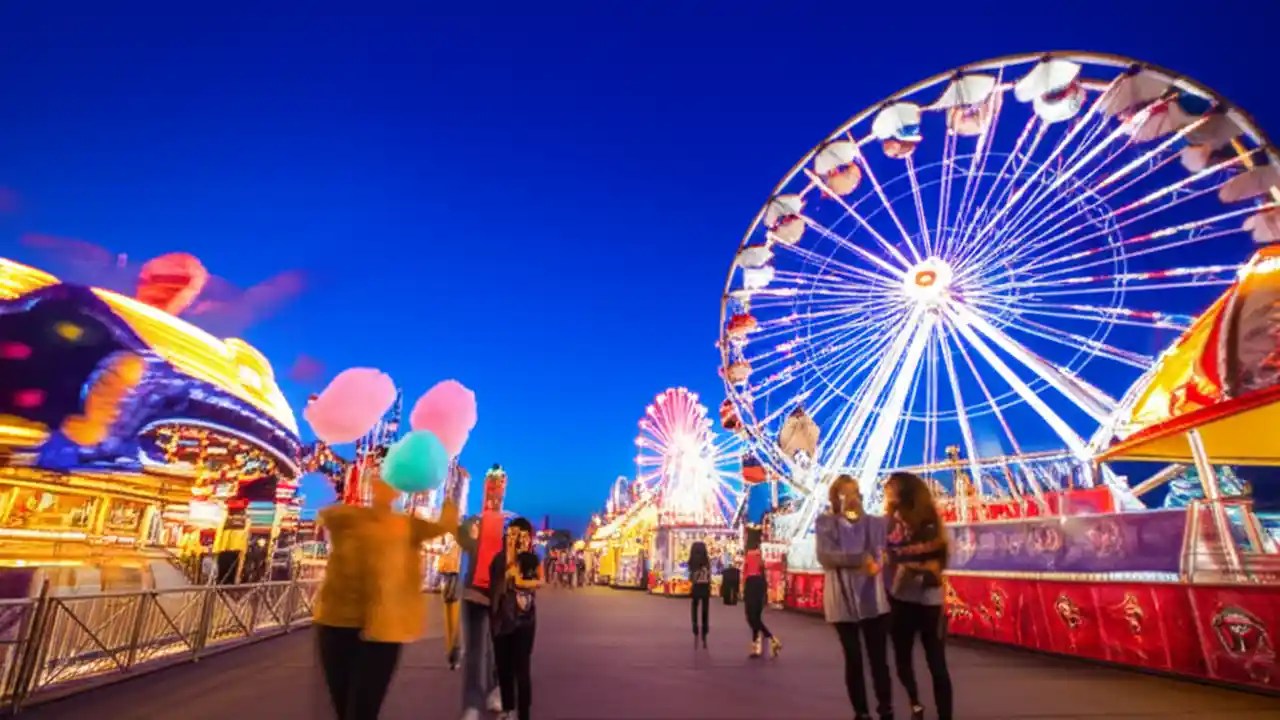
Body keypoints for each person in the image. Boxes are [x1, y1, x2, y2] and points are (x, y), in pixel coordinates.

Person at [313, 465, 459, 720]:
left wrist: (450, 493)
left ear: (396, 493)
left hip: (382, 632)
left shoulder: (406, 526)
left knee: (363, 710)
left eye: (388, 483)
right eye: (377, 480)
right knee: (344, 706)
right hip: (335, 625)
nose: (381, 487)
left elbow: (444, 525)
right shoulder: (348, 517)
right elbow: (326, 515)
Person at [816, 474, 893, 720]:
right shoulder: (826, 523)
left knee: (878, 658)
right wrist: (861, 559)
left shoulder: (872, 523)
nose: (852, 499)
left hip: (873, 598)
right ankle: (861, 711)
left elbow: (885, 546)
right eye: (846, 494)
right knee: (854, 657)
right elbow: (826, 556)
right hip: (842, 599)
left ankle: (886, 708)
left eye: (855, 492)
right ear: (835, 498)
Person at [885, 471, 954, 720]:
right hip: (915, 597)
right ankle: (924, 706)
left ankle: (927, 708)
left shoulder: (917, 521)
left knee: (927, 662)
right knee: (919, 660)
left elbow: (896, 554)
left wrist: (907, 561)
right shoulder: (899, 520)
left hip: (917, 598)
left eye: (891, 485)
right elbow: (933, 556)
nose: (886, 488)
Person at [458, 465, 509, 720]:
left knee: (499, 648)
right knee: (475, 652)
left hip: (500, 596)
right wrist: (468, 534)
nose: (494, 496)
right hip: (474, 593)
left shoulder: (510, 523)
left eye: (499, 489)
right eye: (491, 489)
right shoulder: (473, 521)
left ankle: (497, 691)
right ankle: (472, 703)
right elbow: (462, 542)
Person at [489, 517, 542, 720]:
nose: (516, 539)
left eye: (521, 535)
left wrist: (519, 576)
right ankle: (508, 709)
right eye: (511, 535)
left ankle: (523, 714)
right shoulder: (498, 560)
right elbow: (495, 590)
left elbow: (535, 582)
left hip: (524, 621)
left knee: (522, 667)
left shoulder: (531, 559)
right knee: (503, 667)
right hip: (502, 619)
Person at [742, 529, 780, 658]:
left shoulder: (750, 554)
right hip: (759, 584)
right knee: (756, 617)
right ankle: (756, 646)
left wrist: (742, 588)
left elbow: (746, 572)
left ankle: (771, 639)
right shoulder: (759, 554)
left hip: (751, 584)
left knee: (751, 617)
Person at [439, 536, 463, 670]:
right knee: (449, 619)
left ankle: (454, 655)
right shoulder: (447, 539)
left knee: (453, 620)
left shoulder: (458, 541)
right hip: (448, 575)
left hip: (454, 576)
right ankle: (451, 654)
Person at [687, 541, 712, 647]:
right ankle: (704, 630)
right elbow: (709, 574)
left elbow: (690, 576)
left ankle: (695, 627)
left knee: (694, 606)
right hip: (705, 587)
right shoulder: (706, 560)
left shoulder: (692, 561)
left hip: (696, 586)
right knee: (705, 609)